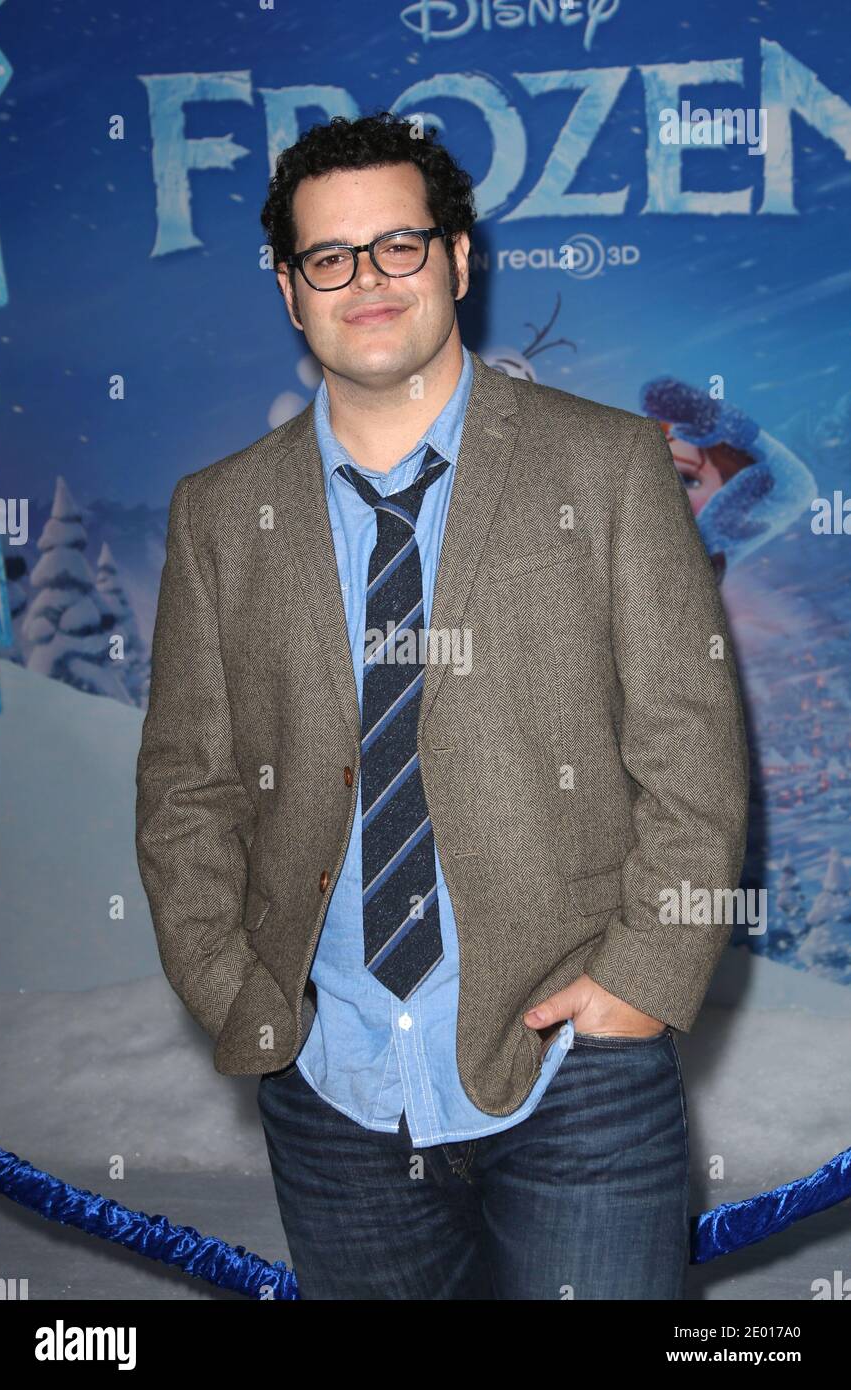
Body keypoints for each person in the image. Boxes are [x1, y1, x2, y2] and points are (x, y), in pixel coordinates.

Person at [135, 110, 750, 1300]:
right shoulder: (217, 514)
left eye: (399, 246)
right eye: (329, 256)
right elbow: (185, 788)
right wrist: (241, 991)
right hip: (332, 1088)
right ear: (288, 289)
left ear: (459, 260)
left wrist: (643, 973)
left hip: (580, 1072)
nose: (366, 280)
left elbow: (691, 744)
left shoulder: (609, 465)